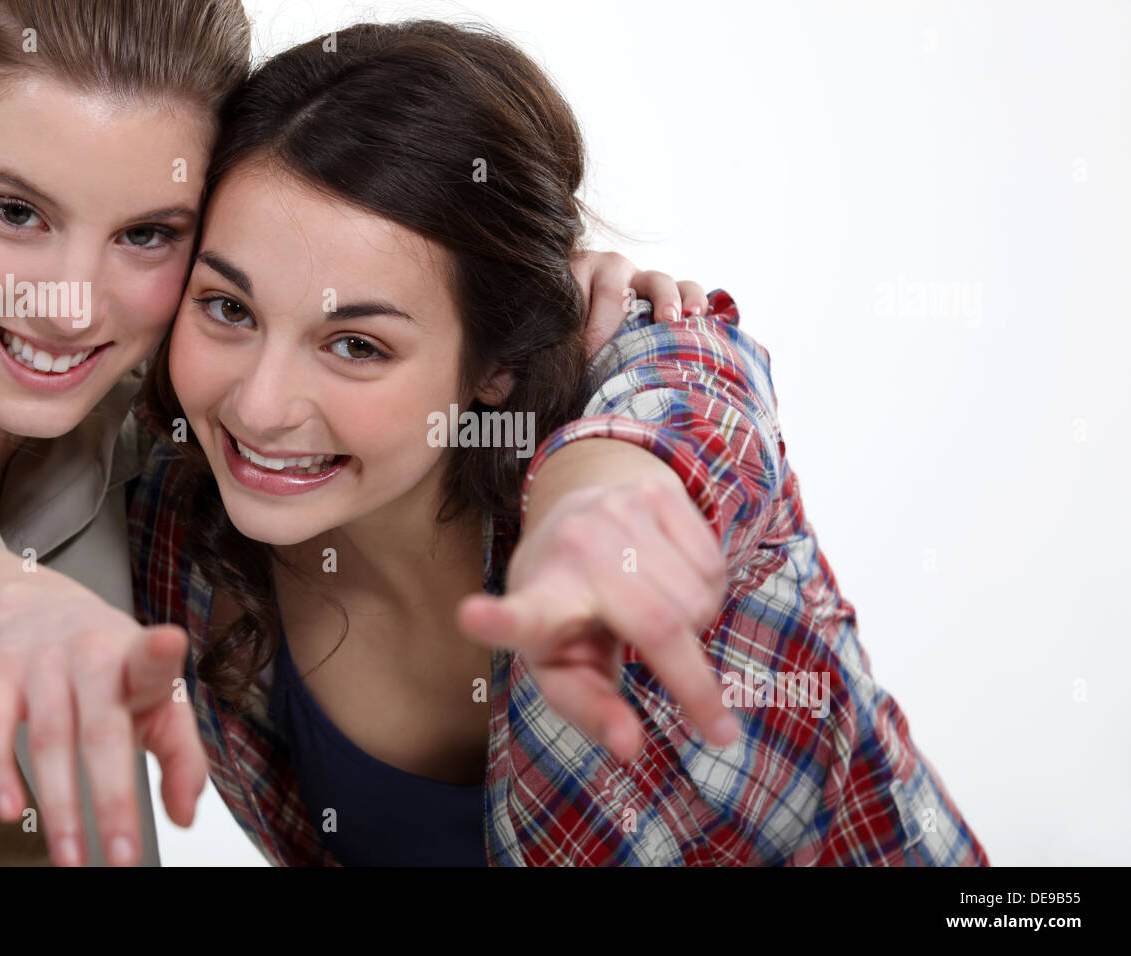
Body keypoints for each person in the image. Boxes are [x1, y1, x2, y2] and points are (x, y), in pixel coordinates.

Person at [0, 1, 706, 866]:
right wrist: (13, 613)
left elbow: (671, 379)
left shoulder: (152, 408)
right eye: (16, 213)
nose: (73, 308)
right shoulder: (147, 437)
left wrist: (567, 318)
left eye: (147, 233)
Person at [130, 19, 991, 866]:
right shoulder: (171, 517)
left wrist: (596, 498)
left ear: (496, 367)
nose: (260, 407)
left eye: (357, 346)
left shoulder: (646, 380)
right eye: (228, 308)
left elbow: (688, 396)